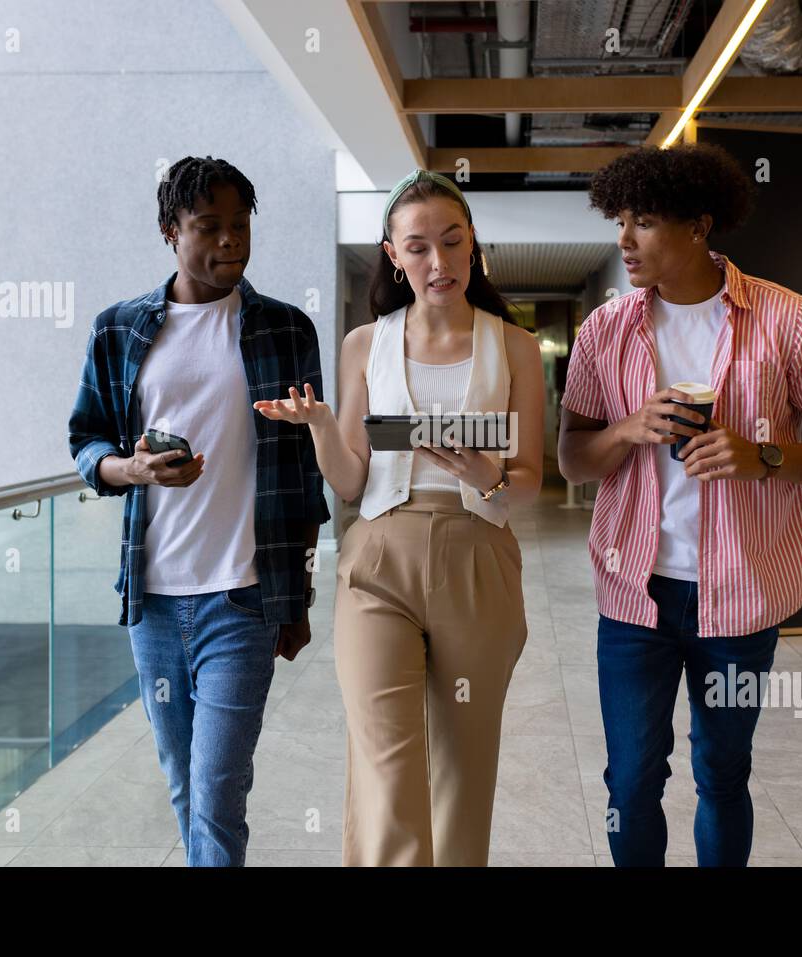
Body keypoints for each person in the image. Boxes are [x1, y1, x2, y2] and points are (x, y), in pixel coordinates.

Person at [558, 143, 802, 866]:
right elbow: (573, 455)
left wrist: (762, 457)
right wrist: (631, 428)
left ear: (700, 227)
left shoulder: (790, 319)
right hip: (635, 596)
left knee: (722, 774)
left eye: (642, 222)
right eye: (620, 220)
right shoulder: (605, 331)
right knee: (631, 779)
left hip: (741, 595)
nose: (623, 239)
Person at [255, 170, 544, 865]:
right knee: (386, 767)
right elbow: (353, 478)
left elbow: (529, 480)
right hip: (379, 559)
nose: (437, 263)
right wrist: (323, 425)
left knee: (463, 771)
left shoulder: (515, 346)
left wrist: (490, 476)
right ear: (391, 253)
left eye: (452, 241)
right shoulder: (365, 344)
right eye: (418, 247)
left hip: (478, 553)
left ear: (474, 243)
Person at [67, 155, 330, 866]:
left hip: (243, 599)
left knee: (216, 789)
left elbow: (303, 474)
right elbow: (85, 439)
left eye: (240, 226)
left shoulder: (285, 330)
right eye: (208, 227)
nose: (230, 243)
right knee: (183, 785)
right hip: (152, 601)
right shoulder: (118, 329)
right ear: (168, 231)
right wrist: (133, 468)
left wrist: (298, 599)